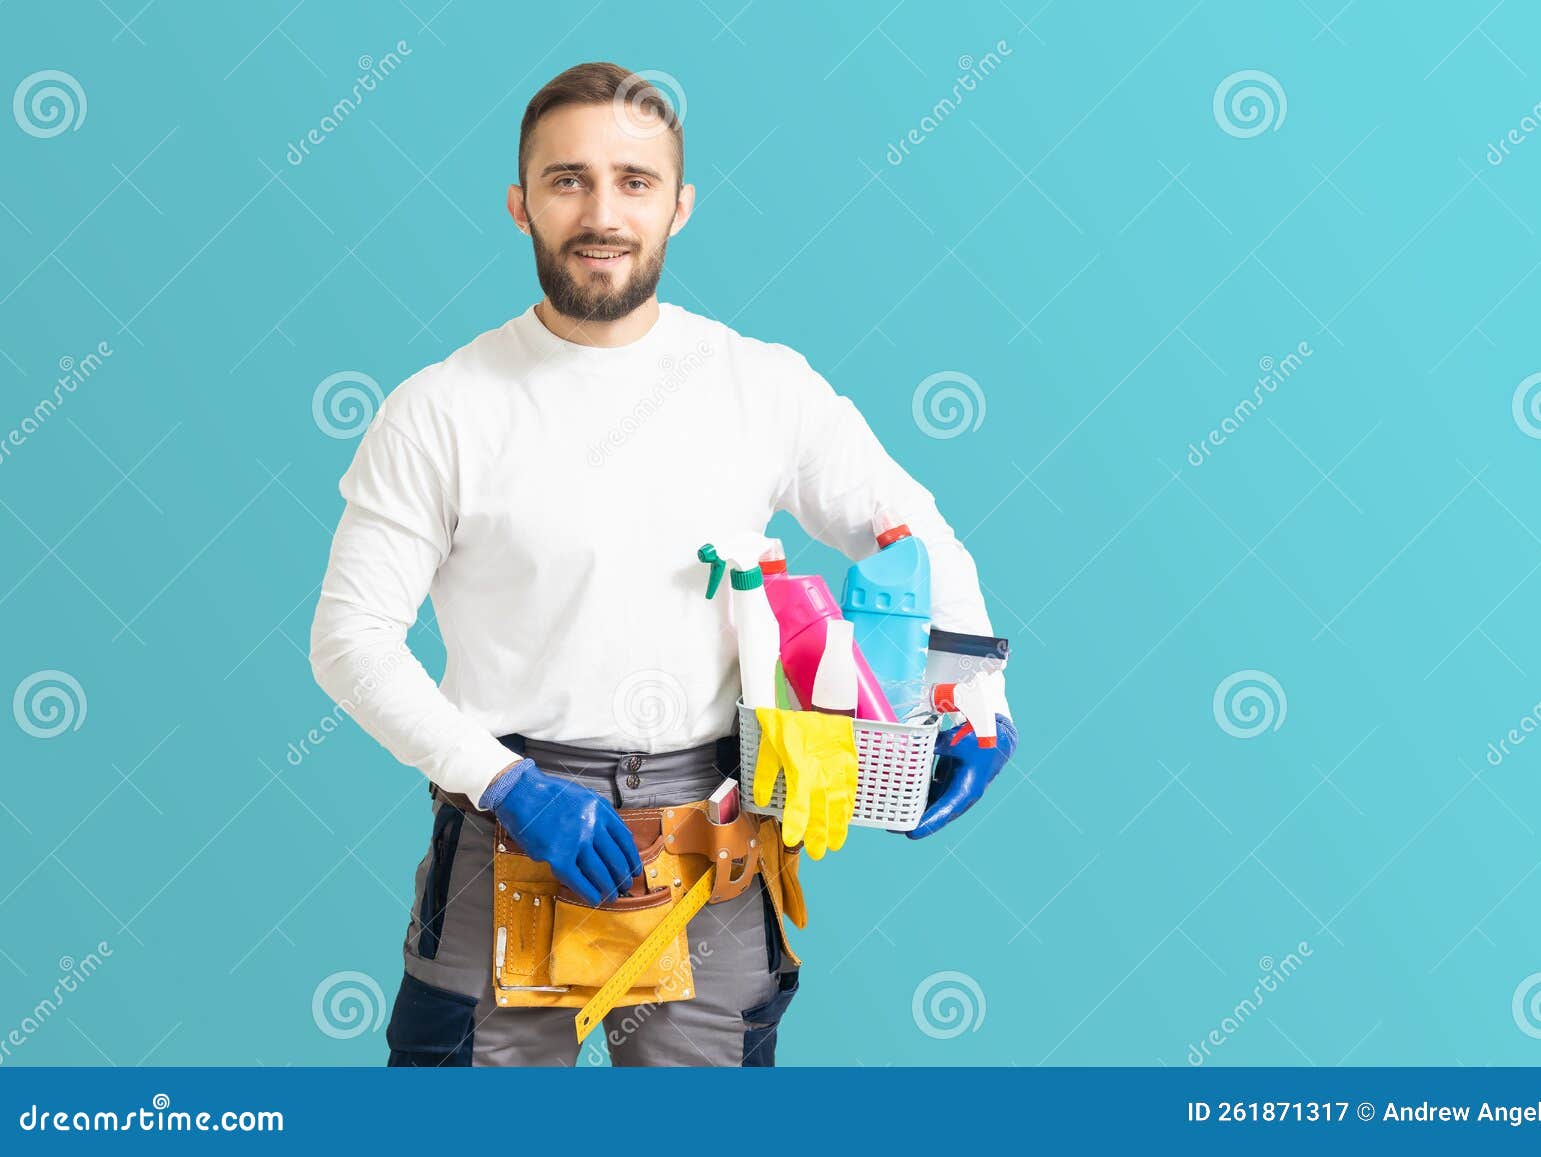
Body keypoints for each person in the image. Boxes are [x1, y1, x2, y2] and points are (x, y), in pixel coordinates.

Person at [308, 61, 1018, 1068]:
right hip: (506, 831)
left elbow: (913, 534)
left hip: (715, 842)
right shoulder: (440, 408)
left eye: (634, 181)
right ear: (521, 206)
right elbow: (349, 641)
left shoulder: (762, 386)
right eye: (567, 180)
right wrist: (507, 782)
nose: (601, 212)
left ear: (678, 206)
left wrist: (977, 697)